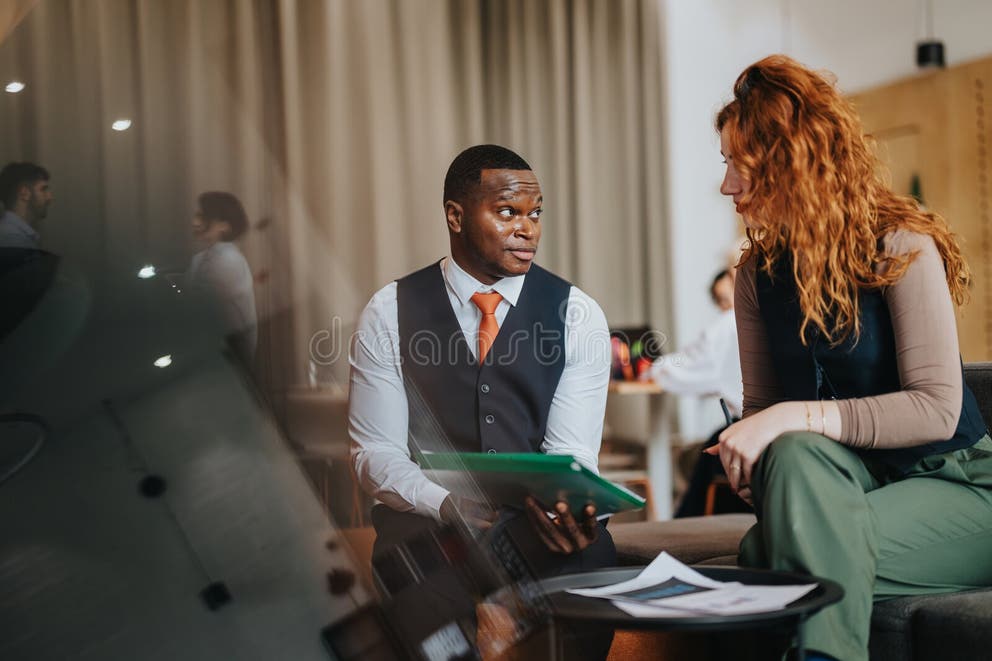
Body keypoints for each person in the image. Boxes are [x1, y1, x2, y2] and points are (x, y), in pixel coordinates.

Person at [709, 55, 992, 661]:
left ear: (794, 161)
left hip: (958, 484)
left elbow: (937, 409)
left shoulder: (901, 245)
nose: (727, 185)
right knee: (790, 463)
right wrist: (756, 461)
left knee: (768, 556)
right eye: (726, 164)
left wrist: (789, 419)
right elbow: (765, 416)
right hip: (844, 489)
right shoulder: (757, 276)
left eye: (741, 164)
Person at [349, 144, 615, 655]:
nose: (528, 228)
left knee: (590, 560)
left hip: (534, 524)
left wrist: (570, 506)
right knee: (418, 606)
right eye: (508, 212)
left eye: (535, 213)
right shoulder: (388, 311)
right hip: (428, 520)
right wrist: (443, 503)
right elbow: (373, 453)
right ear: (455, 215)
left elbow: (574, 453)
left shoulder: (578, 314)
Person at [642, 268, 748, 517]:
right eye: (721, 302)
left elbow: (689, 365)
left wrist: (653, 368)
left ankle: (681, 529)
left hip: (749, 429)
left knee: (712, 446)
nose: (726, 309)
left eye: (728, 299)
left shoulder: (730, 325)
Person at [186, 192, 257, 362]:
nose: (195, 222)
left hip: (228, 356)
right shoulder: (200, 259)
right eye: (197, 215)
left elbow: (198, 304)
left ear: (225, 226)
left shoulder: (230, 261)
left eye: (203, 216)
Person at [0, 162, 53, 249]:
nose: (50, 197)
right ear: (24, 193)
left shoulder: (12, 234)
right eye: (43, 189)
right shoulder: (13, 239)